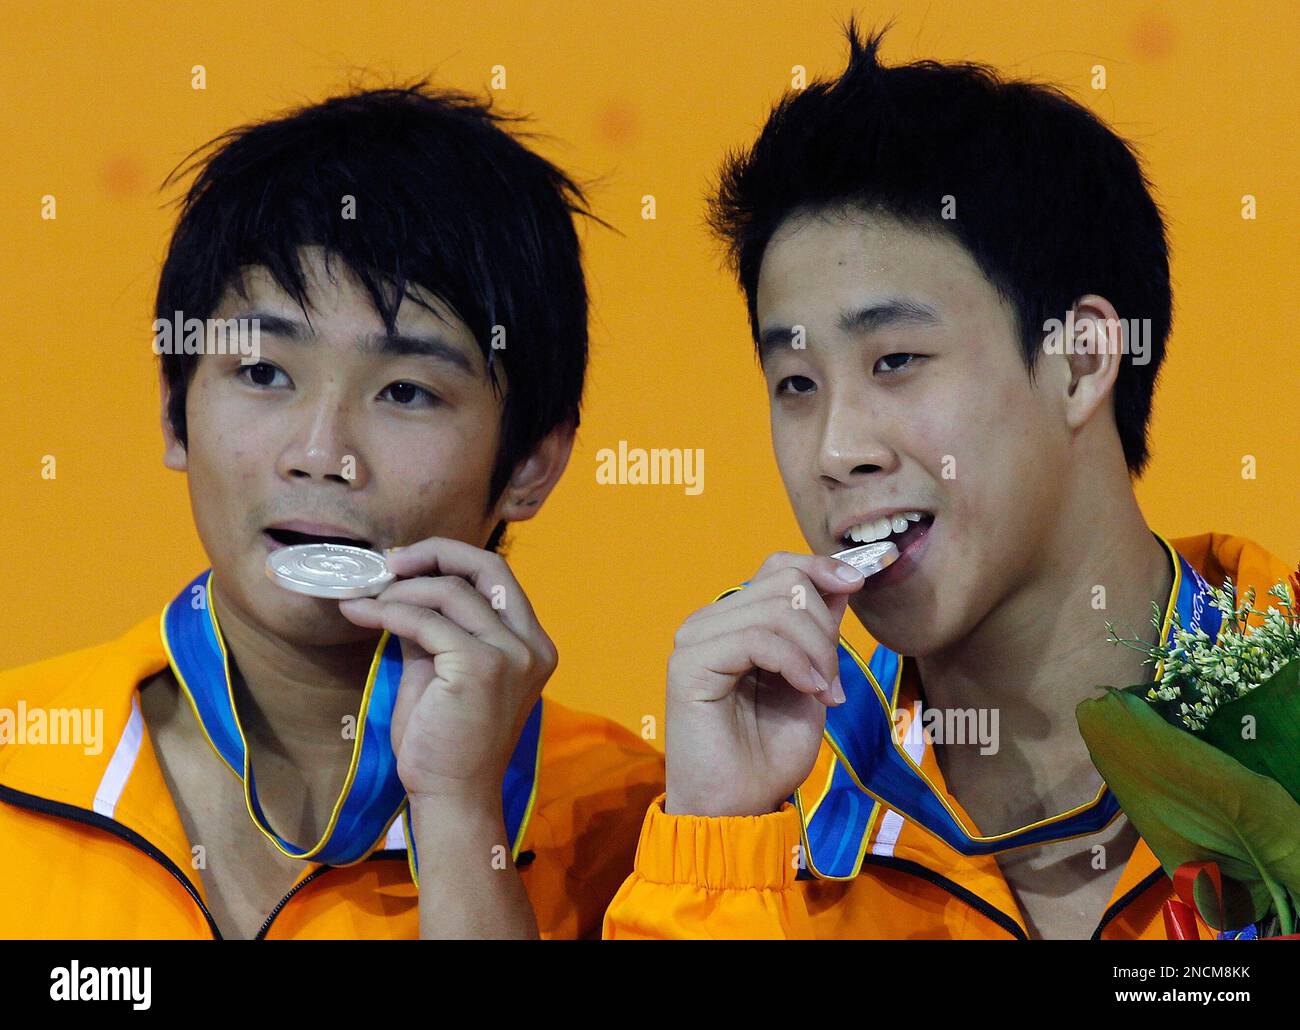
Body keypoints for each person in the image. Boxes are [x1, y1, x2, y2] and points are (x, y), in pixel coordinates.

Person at [603, 22, 1293, 939]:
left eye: (895, 361)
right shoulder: (751, 818)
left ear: (1083, 362)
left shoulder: (1282, 710)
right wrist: (719, 850)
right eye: (796, 385)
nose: (835, 450)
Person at [0, 82, 662, 939]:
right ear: (174, 410)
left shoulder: (633, 826)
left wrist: (461, 821)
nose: (321, 453)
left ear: (532, 463)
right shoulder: (18, 758)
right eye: (264, 373)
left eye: (407, 391)